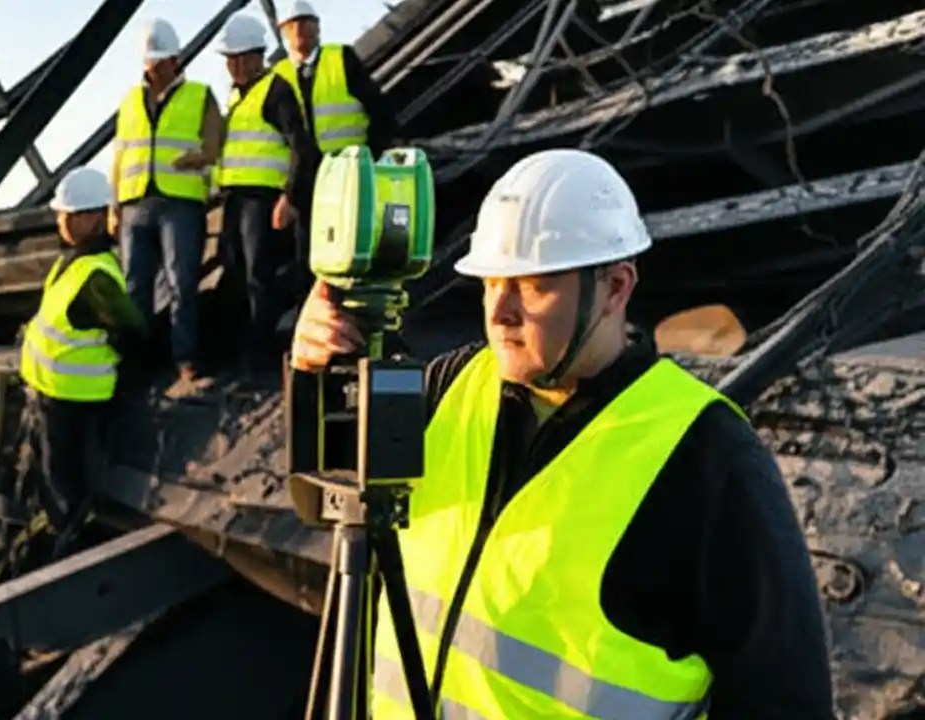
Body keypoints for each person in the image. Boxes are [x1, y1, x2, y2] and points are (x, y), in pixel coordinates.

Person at [289, 149, 835, 717]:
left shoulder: (704, 455)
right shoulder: (452, 386)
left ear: (616, 287)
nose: (500, 311)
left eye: (533, 286)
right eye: (491, 282)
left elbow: (787, 703)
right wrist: (315, 374)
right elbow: (319, 501)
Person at [19, 166, 147, 552]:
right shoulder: (71, 263)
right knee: (51, 472)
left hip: (73, 396)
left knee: (65, 479)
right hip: (50, 391)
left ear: (90, 218)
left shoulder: (96, 276)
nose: (60, 221)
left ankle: (69, 538)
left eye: (66, 215)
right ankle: (60, 524)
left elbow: (134, 333)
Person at [110, 17, 223, 393]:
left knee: (181, 281)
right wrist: (114, 205)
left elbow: (214, 146)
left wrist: (196, 159)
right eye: (150, 62)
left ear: (175, 60)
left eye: (161, 62)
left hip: (180, 202)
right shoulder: (130, 100)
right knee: (134, 286)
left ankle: (185, 357)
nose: (154, 68)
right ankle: (136, 361)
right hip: (135, 204)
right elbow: (120, 155)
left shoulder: (200, 96)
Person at [213, 12, 320, 375]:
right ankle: (238, 349)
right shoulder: (237, 96)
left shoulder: (275, 91)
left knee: (260, 276)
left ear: (256, 57)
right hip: (236, 198)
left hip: (262, 200)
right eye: (229, 60)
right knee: (235, 271)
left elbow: (301, 147)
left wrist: (290, 196)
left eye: (238, 59)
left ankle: (261, 356)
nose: (233, 67)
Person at [271, 0, 398, 301]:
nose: (301, 30)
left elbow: (380, 112)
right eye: (293, 25)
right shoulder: (279, 77)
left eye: (307, 23)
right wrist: (291, 192)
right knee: (312, 259)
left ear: (318, 27)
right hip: (310, 182)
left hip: (350, 175)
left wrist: (371, 159)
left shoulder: (341, 59)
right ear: (283, 32)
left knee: (354, 249)